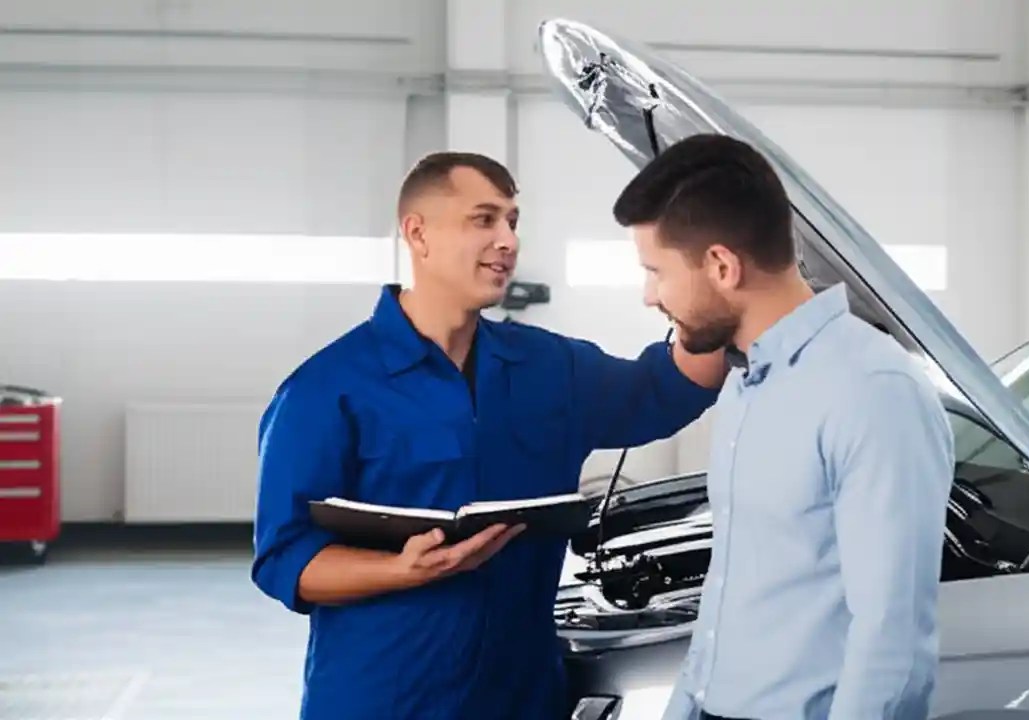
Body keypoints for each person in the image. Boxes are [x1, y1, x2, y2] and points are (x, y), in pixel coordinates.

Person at [251, 151, 726, 720]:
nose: (507, 240)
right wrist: (403, 570)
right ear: (418, 234)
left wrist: (722, 305)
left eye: (513, 221)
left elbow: (664, 389)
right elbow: (286, 559)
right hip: (381, 697)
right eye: (483, 219)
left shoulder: (548, 367)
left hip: (521, 697)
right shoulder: (325, 391)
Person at [612, 134, 955, 720]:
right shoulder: (747, 383)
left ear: (722, 265)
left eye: (656, 271)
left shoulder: (872, 390)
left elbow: (892, 643)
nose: (650, 295)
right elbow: (728, 594)